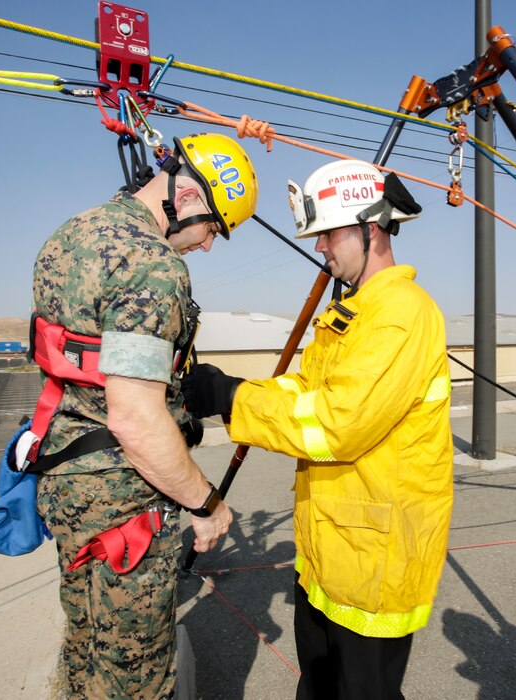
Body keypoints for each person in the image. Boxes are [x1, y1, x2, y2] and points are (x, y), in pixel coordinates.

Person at [183, 159, 454, 699]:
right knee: (319, 688)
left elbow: (336, 426)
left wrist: (233, 399)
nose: (320, 247)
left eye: (327, 233)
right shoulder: (351, 313)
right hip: (329, 557)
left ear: (369, 228)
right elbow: (306, 393)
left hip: (375, 562)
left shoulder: (401, 314)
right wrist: (233, 389)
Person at [31, 132, 258, 698]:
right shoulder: (154, 266)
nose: (208, 246)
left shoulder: (71, 234)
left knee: (86, 648)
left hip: (65, 481)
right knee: (134, 675)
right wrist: (205, 502)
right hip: (123, 501)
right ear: (184, 198)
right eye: (214, 228)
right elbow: (135, 420)